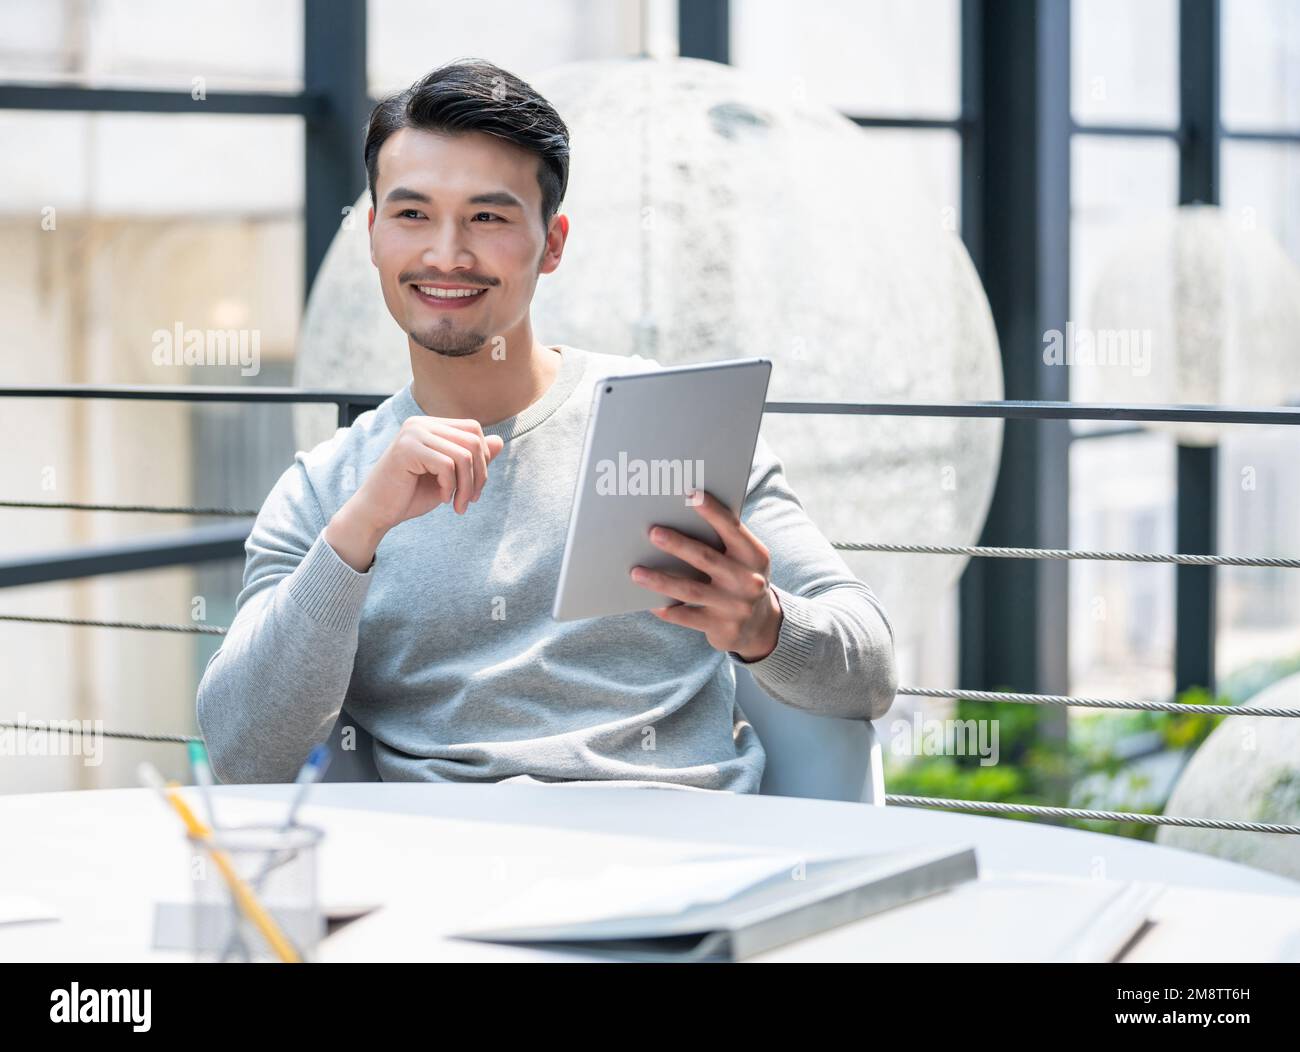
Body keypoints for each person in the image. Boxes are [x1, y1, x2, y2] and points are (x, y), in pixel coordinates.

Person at [196, 58, 897, 792]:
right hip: (450, 882)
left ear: (553, 243)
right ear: (374, 235)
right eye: (412, 215)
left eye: (488, 217)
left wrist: (767, 626)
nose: (446, 254)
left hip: (682, 862)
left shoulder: (673, 427)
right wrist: (357, 535)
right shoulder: (326, 491)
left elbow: (872, 671)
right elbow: (243, 753)